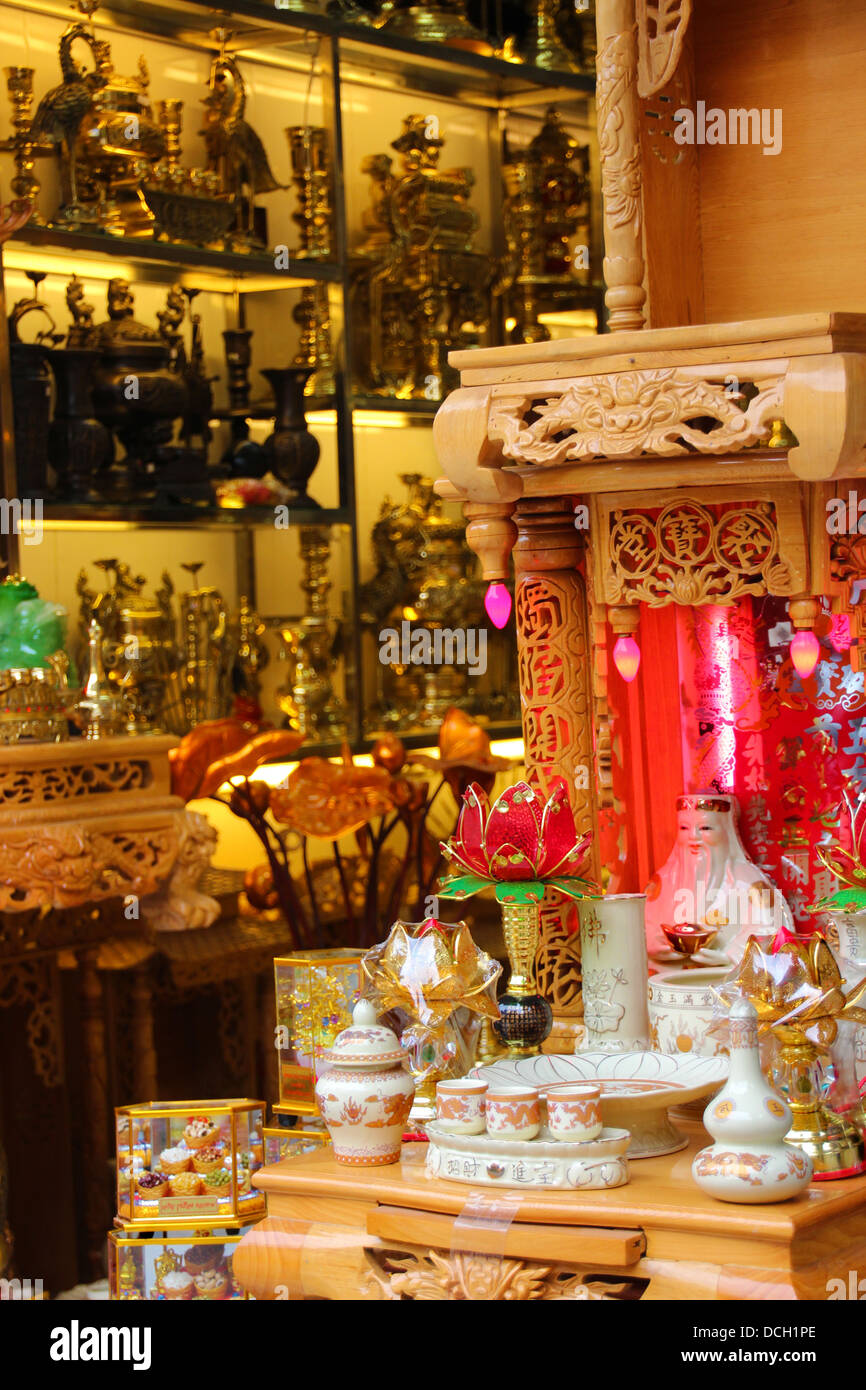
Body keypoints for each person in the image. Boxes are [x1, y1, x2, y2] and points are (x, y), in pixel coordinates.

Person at [645, 792, 793, 961]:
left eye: (705, 828)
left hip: (726, 982)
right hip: (667, 980)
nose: (693, 837)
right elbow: (643, 926)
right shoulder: (663, 880)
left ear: (726, 832)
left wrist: (729, 956)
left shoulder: (748, 881)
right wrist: (653, 946)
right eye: (684, 828)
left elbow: (768, 929)